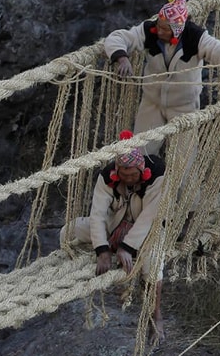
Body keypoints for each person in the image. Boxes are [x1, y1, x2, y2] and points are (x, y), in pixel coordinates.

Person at [102, 0, 220, 154]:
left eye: (165, 29)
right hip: (152, 102)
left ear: (177, 30)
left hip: (184, 107)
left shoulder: (195, 37)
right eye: (158, 26)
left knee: (183, 157)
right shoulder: (149, 31)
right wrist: (122, 57)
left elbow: (219, 50)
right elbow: (118, 37)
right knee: (141, 152)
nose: (159, 31)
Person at [64, 133, 168, 339]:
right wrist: (101, 249)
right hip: (116, 225)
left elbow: (150, 216)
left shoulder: (157, 174)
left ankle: (155, 315)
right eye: (124, 175)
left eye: (133, 175)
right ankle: (70, 269)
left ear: (142, 170)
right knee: (69, 230)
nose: (128, 179)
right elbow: (98, 214)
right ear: (117, 170)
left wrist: (127, 247)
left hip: (149, 229)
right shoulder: (107, 176)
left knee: (152, 261)